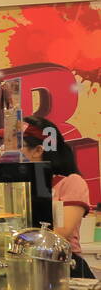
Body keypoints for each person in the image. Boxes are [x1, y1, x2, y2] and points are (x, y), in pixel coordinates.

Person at [22, 116, 95, 278]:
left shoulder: (71, 182)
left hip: (64, 266)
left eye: (17, 145)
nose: (7, 150)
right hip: (29, 266)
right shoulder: (18, 187)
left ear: (38, 150)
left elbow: (62, 232)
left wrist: (17, 241)